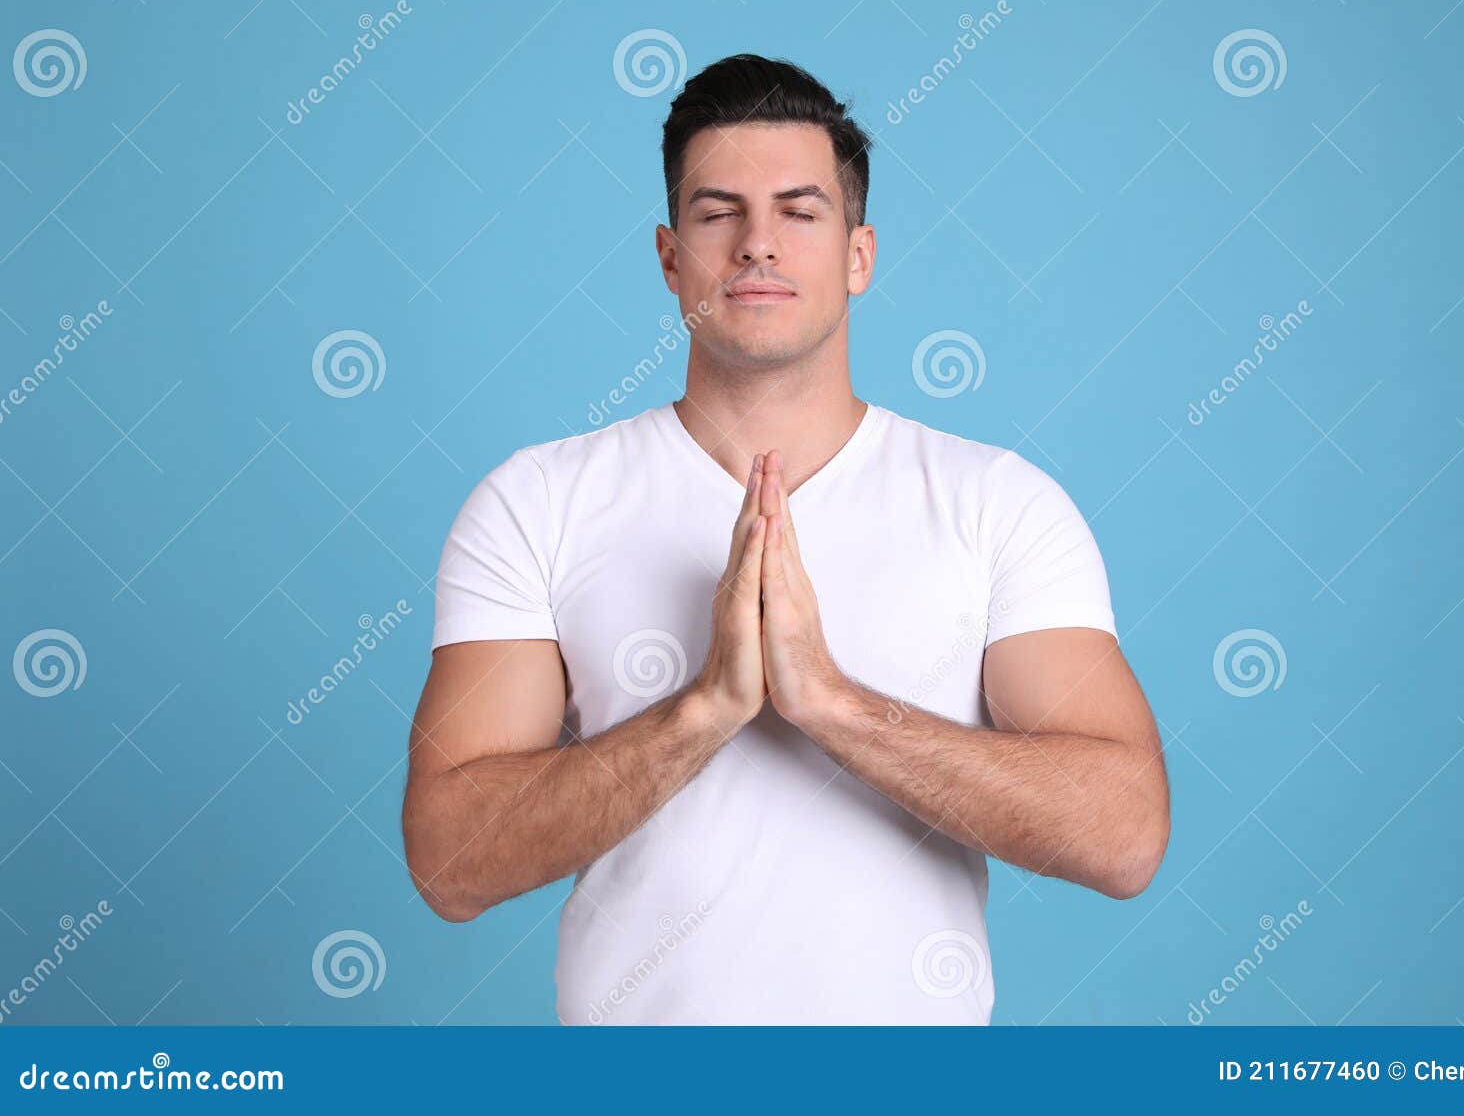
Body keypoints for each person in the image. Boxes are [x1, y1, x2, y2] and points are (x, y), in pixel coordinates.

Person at [400, 53, 1169, 1025]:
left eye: (800, 212)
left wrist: (833, 705)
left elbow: (1126, 833)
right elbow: (451, 862)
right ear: (670, 255)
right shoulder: (535, 500)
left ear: (859, 254)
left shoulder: (995, 502)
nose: (757, 244)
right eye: (717, 212)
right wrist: (706, 707)